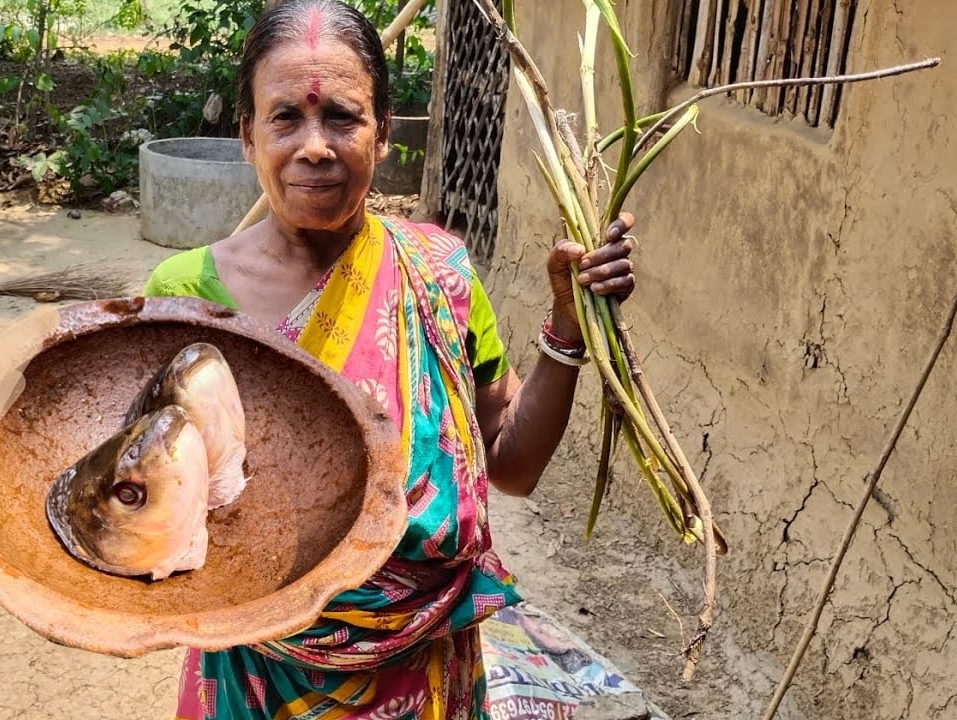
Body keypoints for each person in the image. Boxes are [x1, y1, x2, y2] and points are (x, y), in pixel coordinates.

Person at [141, 1, 637, 717]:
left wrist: (569, 324)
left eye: (343, 117)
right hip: (258, 680)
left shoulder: (439, 277)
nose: (315, 145)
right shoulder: (185, 295)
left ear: (381, 137)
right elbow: (160, 506)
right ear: (248, 136)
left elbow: (513, 465)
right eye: (286, 118)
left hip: (426, 674)